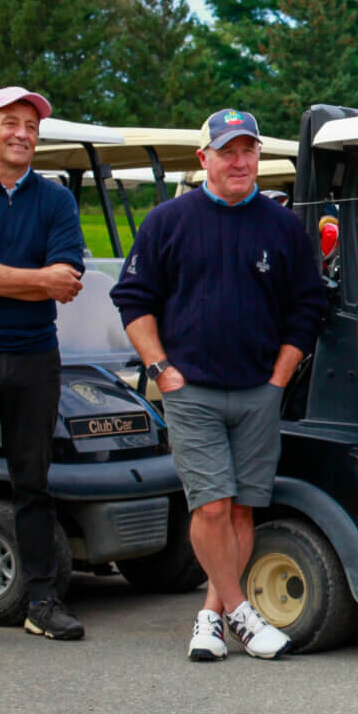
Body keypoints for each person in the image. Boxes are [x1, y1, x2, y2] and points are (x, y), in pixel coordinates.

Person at [111, 108, 325, 661]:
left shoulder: (283, 227)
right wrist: (162, 370)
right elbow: (132, 299)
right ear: (203, 158)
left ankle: (211, 614)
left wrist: (278, 378)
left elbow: (307, 308)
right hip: (191, 390)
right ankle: (242, 614)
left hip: (259, 390)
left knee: (241, 509)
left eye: (248, 150)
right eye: (227, 151)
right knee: (211, 506)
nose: (239, 161)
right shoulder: (168, 221)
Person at [0, 87, 87, 643]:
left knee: (34, 484)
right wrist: (37, 280)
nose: (23, 133)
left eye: (31, 125)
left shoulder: (56, 200)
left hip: (33, 356)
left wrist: (2, 278)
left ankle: (42, 603)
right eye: (10, 122)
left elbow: (67, 280)